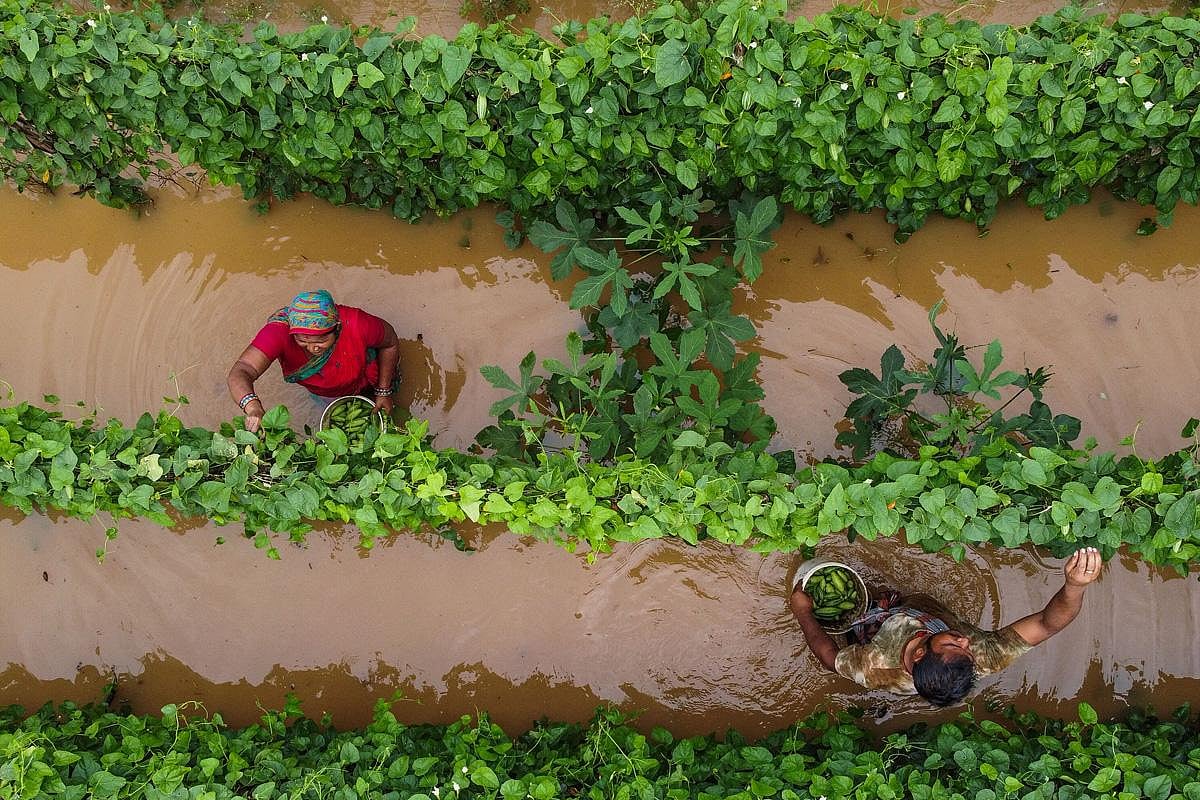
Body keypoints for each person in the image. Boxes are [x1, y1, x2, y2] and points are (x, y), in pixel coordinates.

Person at [789, 547, 1103, 706]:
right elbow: (1048, 624)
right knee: (885, 596)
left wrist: (803, 612)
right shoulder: (980, 657)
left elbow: (829, 657)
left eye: (952, 645)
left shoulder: (875, 667)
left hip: (875, 633)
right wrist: (1075, 586)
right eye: (961, 647)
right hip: (911, 609)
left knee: (859, 617)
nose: (964, 642)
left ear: (918, 654)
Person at [228, 289, 400, 432]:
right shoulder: (280, 332)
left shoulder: (356, 323)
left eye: (321, 341)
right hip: (326, 392)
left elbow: (390, 343)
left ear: (337, 328)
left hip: (368, 374)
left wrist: (383, 391)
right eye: (302, 341)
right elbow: (243, 369)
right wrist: (252, 407)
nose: (313, 348)